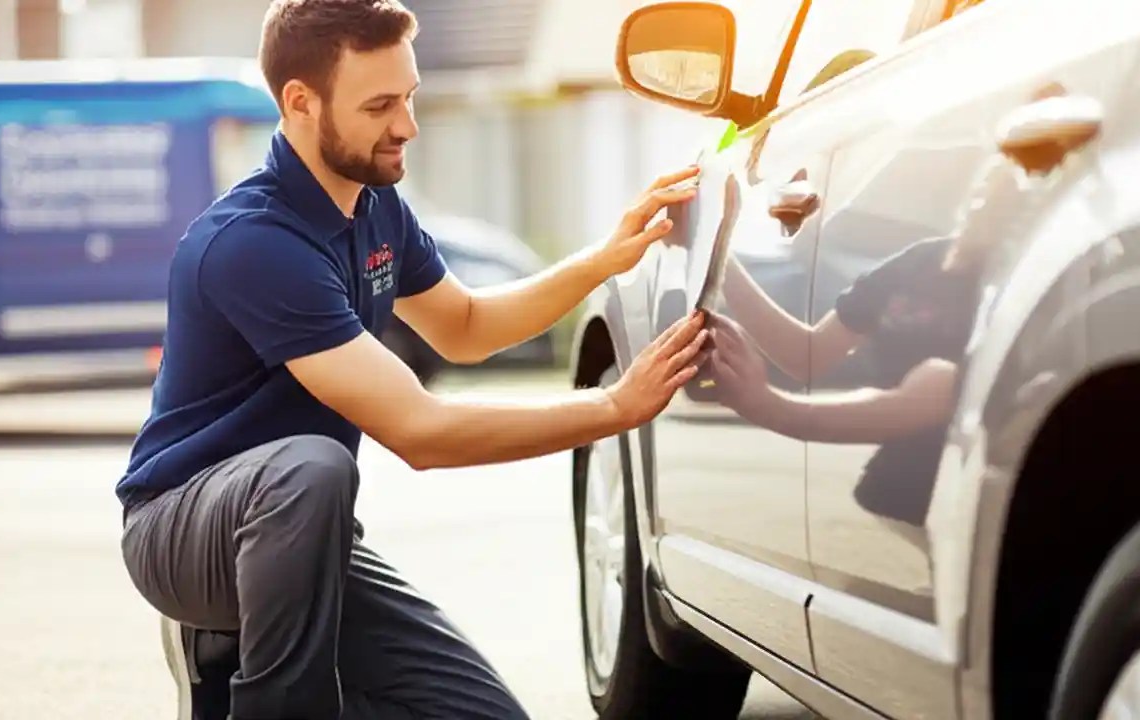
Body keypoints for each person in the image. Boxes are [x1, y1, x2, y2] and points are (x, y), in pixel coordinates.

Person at [116, 1, 707, 718]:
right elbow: (420, 432)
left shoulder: (374, 208)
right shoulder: (252, 243)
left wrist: (602, 261)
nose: (408, 125)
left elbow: (465, 326)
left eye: (411, 96)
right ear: (300, 103)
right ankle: (238, 673)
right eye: (380, 105)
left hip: (306, 536)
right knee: (312, 465)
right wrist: (611, 408)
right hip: (185, 531)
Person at [708, 152, 1025, 526]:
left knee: (941, 381)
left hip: (975, 504)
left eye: (1009, 194)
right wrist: (717, 256)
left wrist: (768, 406)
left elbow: (936, 393)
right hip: (893, 496)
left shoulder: (1023, 281)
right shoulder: (919, 263)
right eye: (986, 185)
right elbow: (808, 355)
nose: (987, 200)